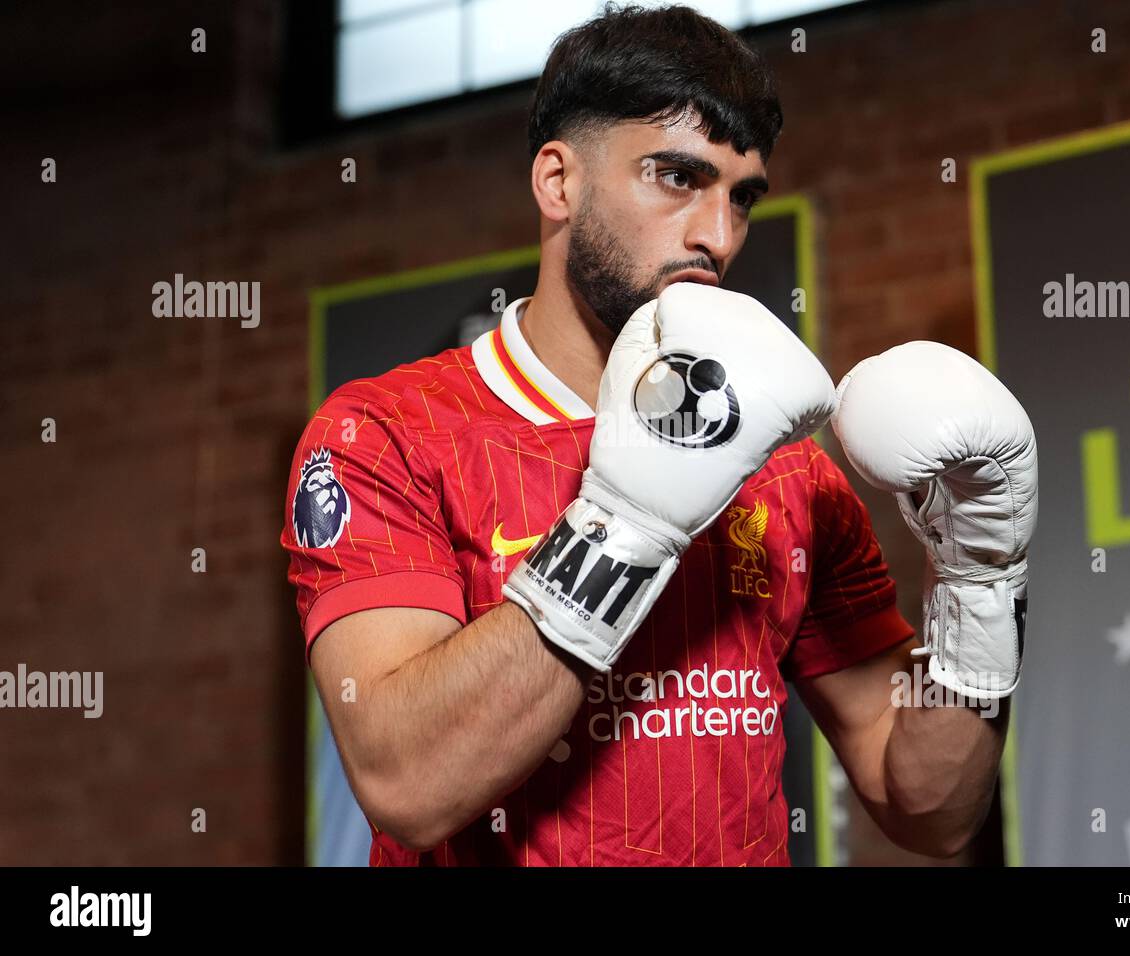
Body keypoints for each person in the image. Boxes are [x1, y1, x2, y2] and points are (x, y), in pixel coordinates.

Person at [280, 3, 1037, 866]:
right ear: (558, 183)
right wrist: (628, 520)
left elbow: (930, 810)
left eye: (740, 197)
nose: (716, 236)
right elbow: (407, 785)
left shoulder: (788, 474)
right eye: (676, 177)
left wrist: (983, 579)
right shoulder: (385, 435)